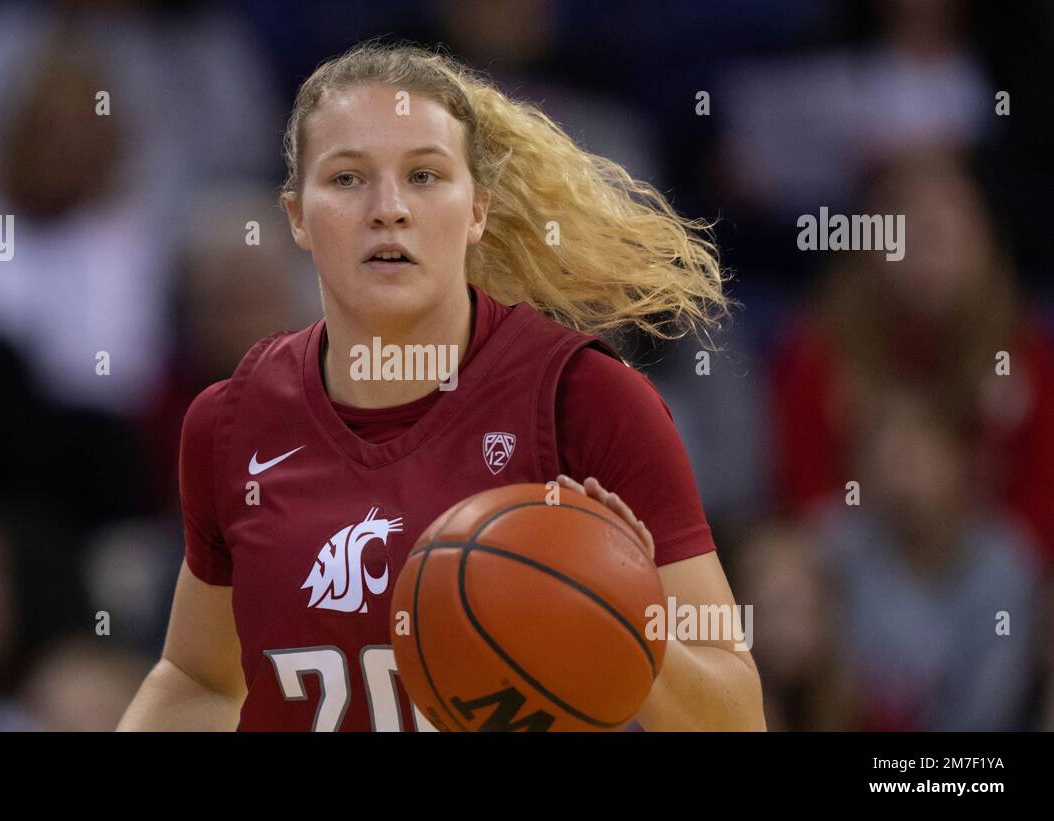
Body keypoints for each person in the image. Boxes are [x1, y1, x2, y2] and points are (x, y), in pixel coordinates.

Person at [119, 42, 764, 732]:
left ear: (477, 209)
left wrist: (625, 617)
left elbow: (734, 721)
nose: (388, 208)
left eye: (424, 175)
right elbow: (201, 680)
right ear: (296, 218)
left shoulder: (586, 401)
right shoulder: (230, 422)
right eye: (347, 179)